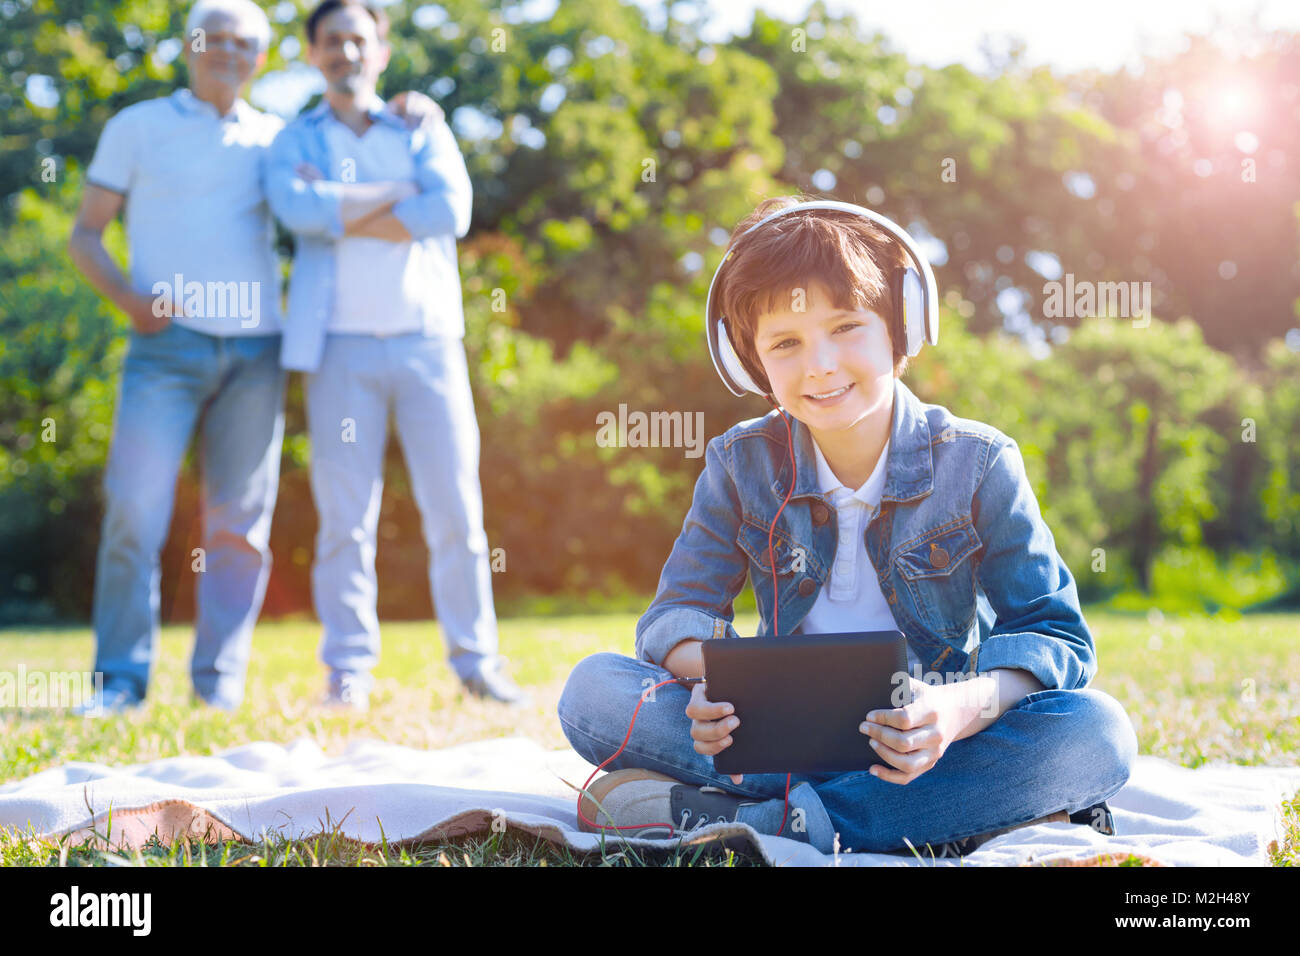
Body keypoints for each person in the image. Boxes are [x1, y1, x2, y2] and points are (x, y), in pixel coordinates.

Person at [557, 196, 1138, 856]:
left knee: (1097, 732)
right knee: (592, 693)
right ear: (749, 363)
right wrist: (712, 683)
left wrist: (954, 711)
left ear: (902, 328)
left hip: (924, 744)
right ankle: (926, 815)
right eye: (786, 344)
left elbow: (1050, 630)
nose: (821, 366)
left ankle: (774, 821)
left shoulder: (979, 463)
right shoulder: (738, 462)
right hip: (777, 737)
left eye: (846, 327)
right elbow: (675, 614)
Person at [265, 0, 526, 710]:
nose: (346, 52)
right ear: (313, 53)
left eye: (359, 39)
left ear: (380, 50)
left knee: (456, 513)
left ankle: (477, 663)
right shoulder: (294, 138)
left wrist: (339, 206)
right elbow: (295, 211)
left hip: (428, 344)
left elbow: (450, 211)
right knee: (344, 519)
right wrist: (393, 201)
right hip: (337, 351)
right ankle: (348, 671)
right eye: (332, 42)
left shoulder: (421, 123)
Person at [67, 0, 287, 713]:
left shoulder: (277, 140)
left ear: (260, 55)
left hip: (257, 352)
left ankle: (217, 682)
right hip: (164, 349)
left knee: (240, 523)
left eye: (243, 41)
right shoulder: (137, 127)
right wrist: (130, 301)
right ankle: (121, 683)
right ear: (190, 45)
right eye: (213, 37)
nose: (227, 49)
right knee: (136, 510)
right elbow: (85, 236)